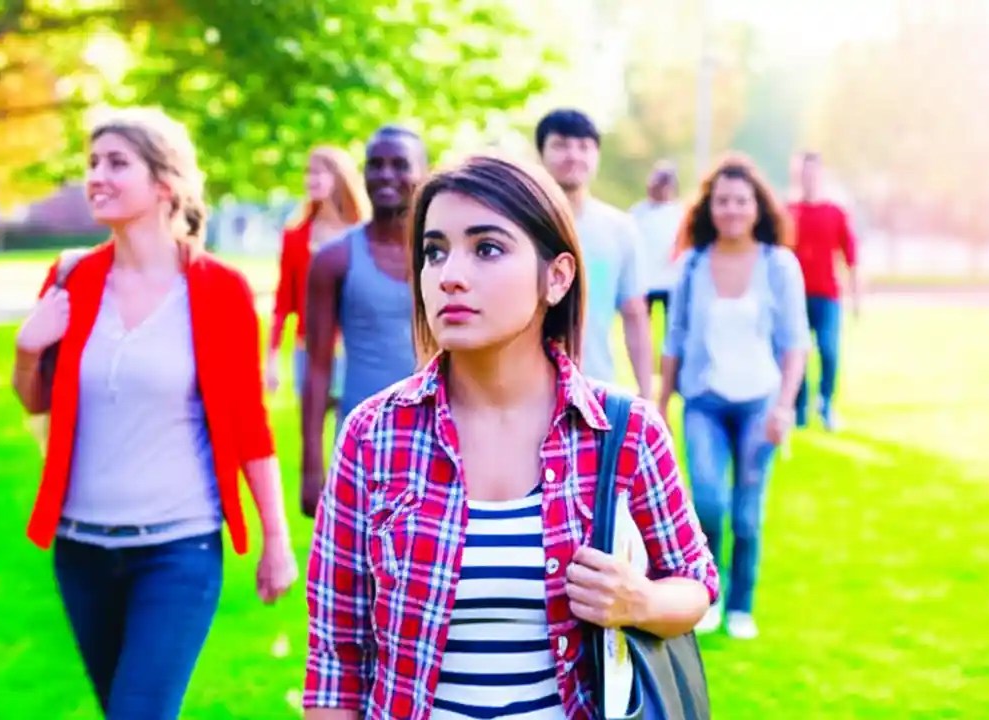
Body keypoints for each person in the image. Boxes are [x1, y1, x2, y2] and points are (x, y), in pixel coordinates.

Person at [303, 155, 718, 720]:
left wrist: (639, 600)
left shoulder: (625, 431)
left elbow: (694, 584)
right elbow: (335, 657)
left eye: (487, 248)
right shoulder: (373, 435)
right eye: (434, 251)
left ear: (557, 277)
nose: (449, 274)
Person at [11, 107, 298, 719]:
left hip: (178, 549)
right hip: (81, 550)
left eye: (117, 163)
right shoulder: (71, 277)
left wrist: (276, 539)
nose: (97, 176)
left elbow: (249, 425)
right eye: (93, 162)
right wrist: (26, 351)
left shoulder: (219, 289)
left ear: (165, 183)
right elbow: (37, 399)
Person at [658, 153, 810, 640]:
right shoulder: (691, 265)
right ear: (709, 207)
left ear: (757, 206)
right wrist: (660, 404)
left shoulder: (778, 265)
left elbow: (795, 343)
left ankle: (741, 604)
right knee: (707, 501)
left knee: (747, 511)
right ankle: (709, 596)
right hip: (703, 400)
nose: (731, 209)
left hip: (759, 402)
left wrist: (785, 406)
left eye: (741, 200)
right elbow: (674, 338)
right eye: (722, 200)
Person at [300, 126, 427, 517]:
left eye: (400, 165)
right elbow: (318, 366)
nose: (386, 175)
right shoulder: (334, 259)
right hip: (364, 442)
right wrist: (311, 465)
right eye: (375, 165)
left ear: (423, 173)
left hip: (439, 438)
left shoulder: (445, 257)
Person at [535, 109, 653, 398]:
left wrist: (646, 393)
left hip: (594, 386)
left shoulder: (619, 229)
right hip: (526, 389)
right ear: (541, 153)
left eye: (584, 146)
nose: (573, 155)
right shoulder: (522, 224)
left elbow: (635, 314)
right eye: (561, 145)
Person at [267, 146, 366, 401]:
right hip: (307, 351)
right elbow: (283, 301)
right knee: (310, 425)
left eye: (320, 173)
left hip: (353, 352)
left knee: (352, 424)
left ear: (340, 177)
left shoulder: (363, 235)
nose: (312, 179)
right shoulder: (295, 236)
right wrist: (272, 357)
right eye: (308, 173)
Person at [788, 151, 861, 431]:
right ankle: (799, 409)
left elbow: (851, 257)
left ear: (821, 174)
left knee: (829, 350)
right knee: (796, 353)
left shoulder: (835, 212)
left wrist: (856, 297)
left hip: (827, 295)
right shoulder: (788, 211)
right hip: (795, 297)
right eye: (804, 172)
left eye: (813, 172)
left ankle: (826, 403)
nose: (809, 177)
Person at [629, 161, 685, 322]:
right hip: (643, 281)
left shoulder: (679, 213)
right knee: (642, 323)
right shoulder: (637, 213)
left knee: (671, 322)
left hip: (671, 280)